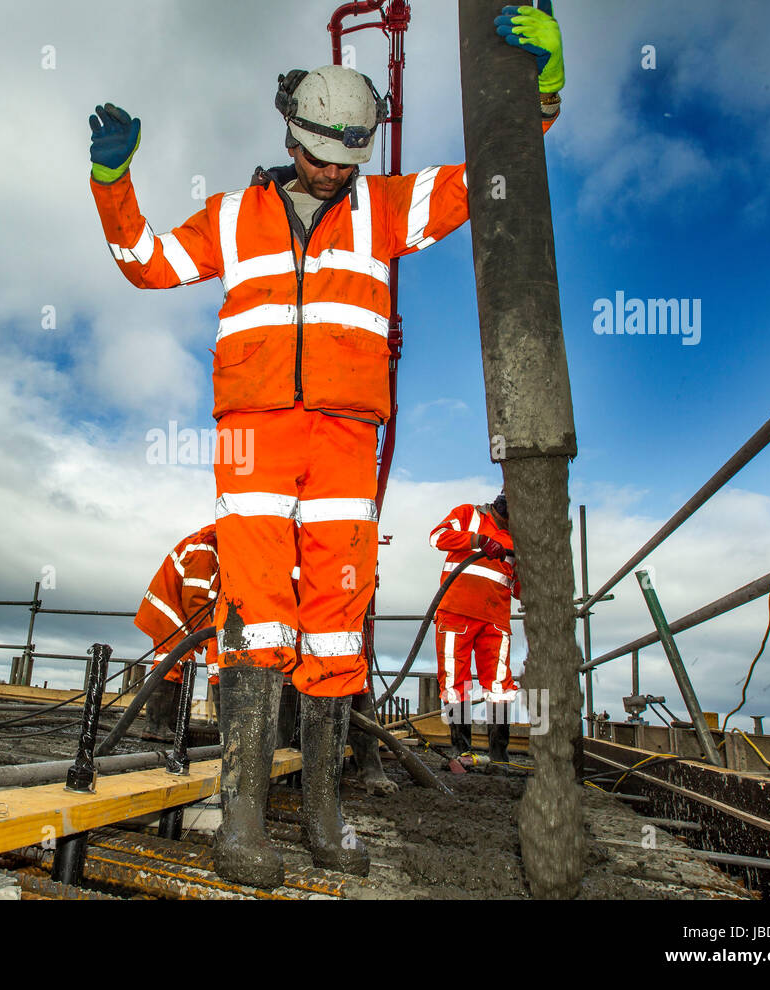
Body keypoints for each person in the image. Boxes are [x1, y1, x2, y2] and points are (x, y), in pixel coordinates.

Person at [89, 5, 565, 888]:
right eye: (318, 155)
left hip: (346, 437)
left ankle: (321, 815)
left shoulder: (384, 206)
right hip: (255, 437)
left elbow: (491, 176)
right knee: (255, 618)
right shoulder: (234, 216)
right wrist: (112, 181)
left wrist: (538, 97)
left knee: (337, 631)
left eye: (348, 159)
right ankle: (241, 827)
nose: (333, 173)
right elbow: (146, 260)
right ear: (291, 134)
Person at [429, 491, 520, 766]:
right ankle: (462, 751)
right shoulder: (469, 515)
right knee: (455, 683)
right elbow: (437, 538)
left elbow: (519, 590)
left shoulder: (520, 541)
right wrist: (479, 541)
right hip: (455, 614)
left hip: (495, 621)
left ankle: (499, 755)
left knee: (499, 687)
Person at [132, 525, 220, 740]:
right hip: (170, 612)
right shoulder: (204, 550)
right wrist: (208, 638)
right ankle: (155, 727)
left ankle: (169, 727)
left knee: (180, 660)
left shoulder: (212, 548)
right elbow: (195, 601)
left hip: (176, 612)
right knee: (170, 661)